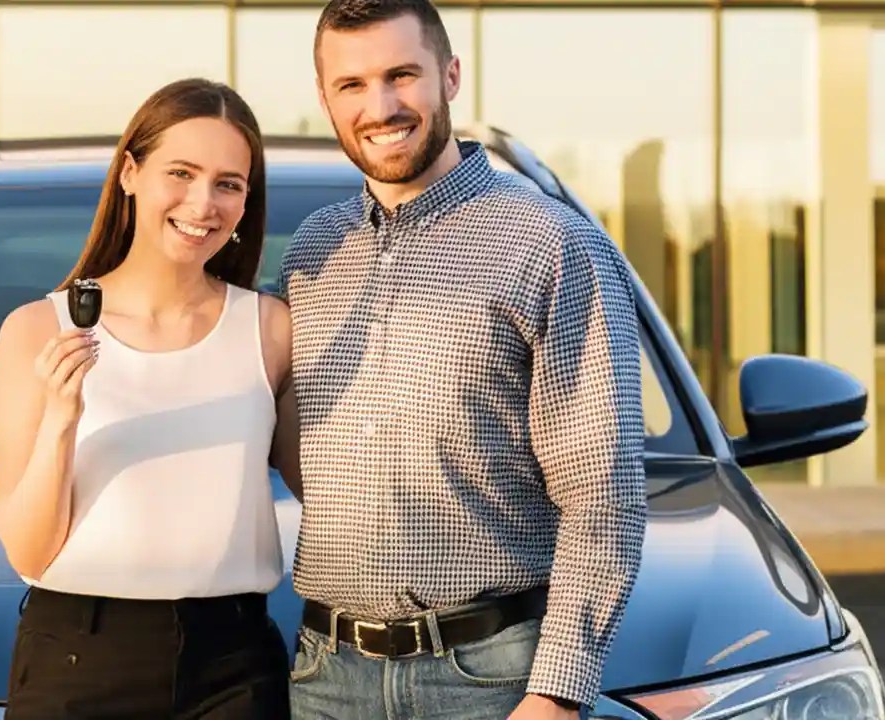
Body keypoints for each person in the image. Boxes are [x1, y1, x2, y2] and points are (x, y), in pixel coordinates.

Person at [276, 0, 649, 717]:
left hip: (490, 680)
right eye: (351, 85)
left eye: (401, 75)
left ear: (449, 76)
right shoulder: (312, 255)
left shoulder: (551, 243)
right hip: (326, 679)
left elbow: (602, 494)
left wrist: (556, 696)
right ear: (324, 98)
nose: (380, 106)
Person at [0, 77, 298, 719]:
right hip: (76, 664)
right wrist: (61, 420)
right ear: (130, 171)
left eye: (228, 184)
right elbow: (28, 550)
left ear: (246, 201)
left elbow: (332, 485)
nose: (202, 203)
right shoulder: (36, 331)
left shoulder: (270, 329)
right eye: (180, 173)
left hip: (234, 670)